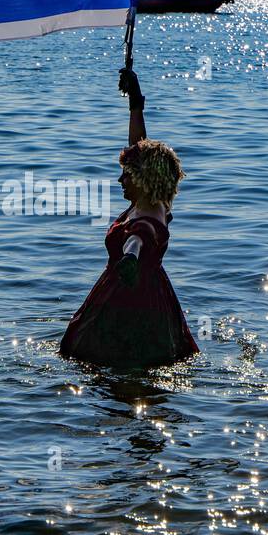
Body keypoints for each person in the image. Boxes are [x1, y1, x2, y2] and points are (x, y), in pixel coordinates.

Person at [59, 68, 199, 369]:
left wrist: (130, 259)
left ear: (143, 178)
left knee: (105, 365)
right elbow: (139, 145)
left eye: (127, 174)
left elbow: (138, 239)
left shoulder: (146, 216)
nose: (120, 179)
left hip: (127, 304)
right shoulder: (157, 201)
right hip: (155, 301)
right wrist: (135, 102)